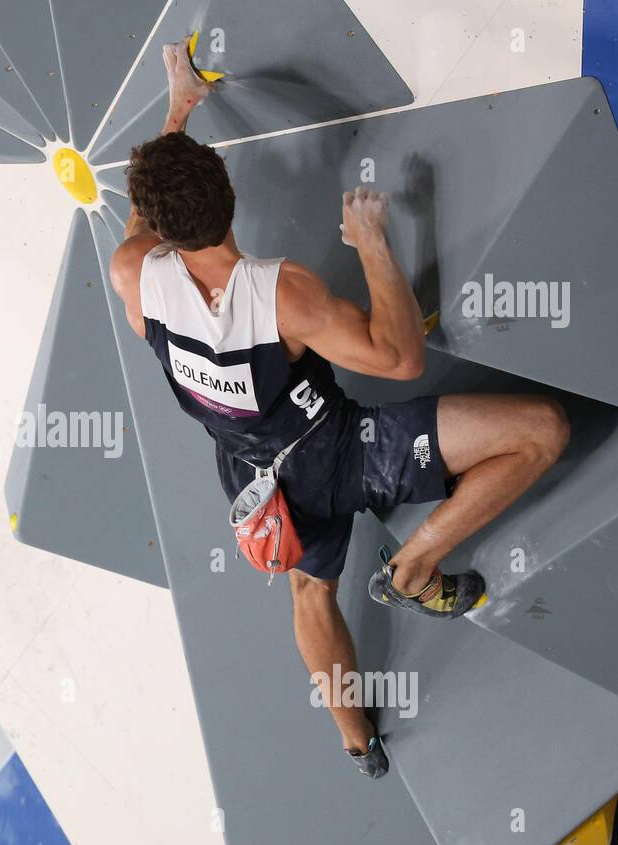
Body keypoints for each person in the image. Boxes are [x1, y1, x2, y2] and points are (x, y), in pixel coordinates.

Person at [108, 38, 569, 778]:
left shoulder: (134, 273)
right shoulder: (281, 293)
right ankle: (414, 570)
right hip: (348, 453)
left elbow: (146, 213)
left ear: (160, 226)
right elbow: (400, 357)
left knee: (309, 594)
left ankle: (358, 745)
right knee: (541, 432)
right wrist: (371, 243)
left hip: (253, 475)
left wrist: (178, 110)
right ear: (230, 194)